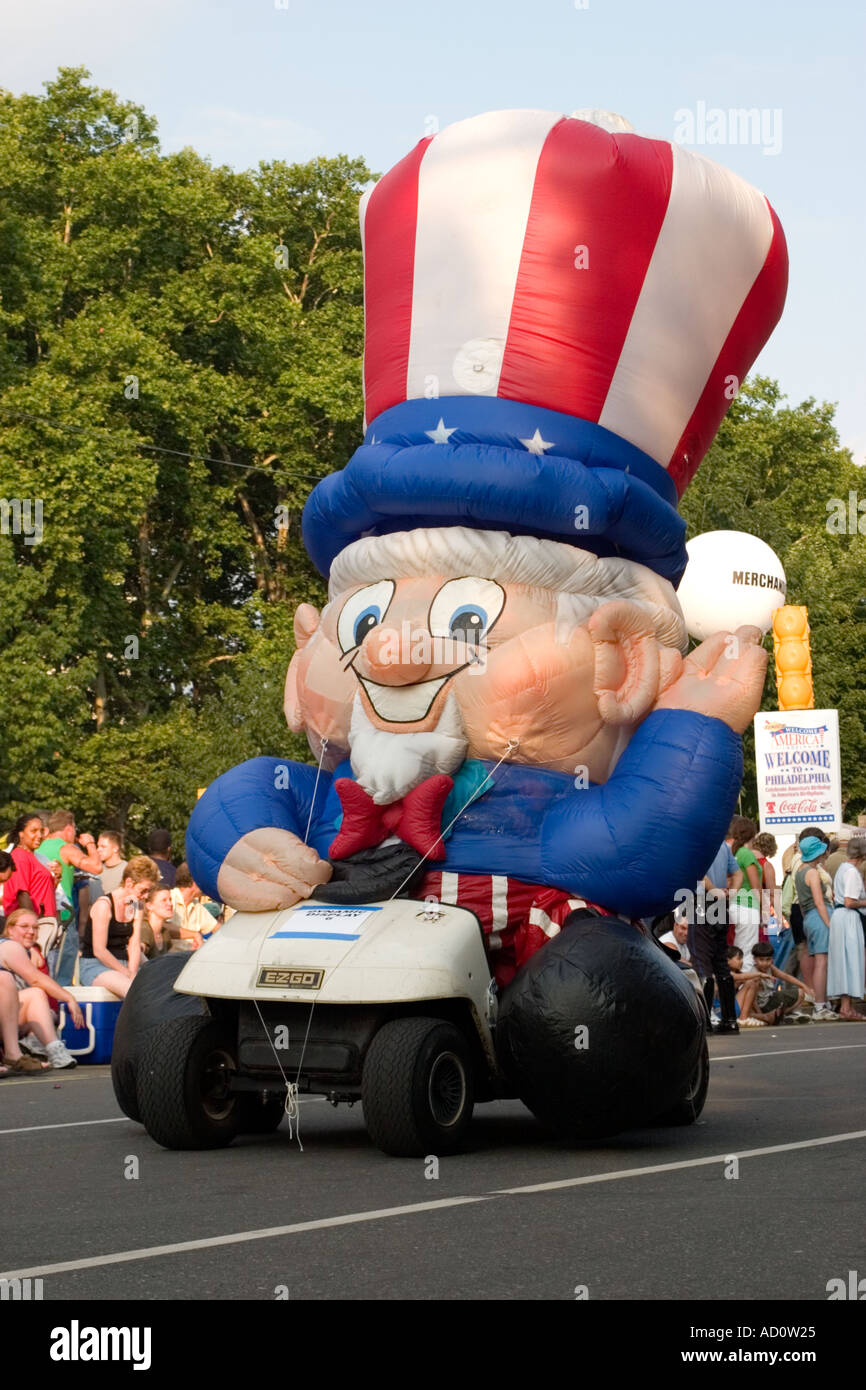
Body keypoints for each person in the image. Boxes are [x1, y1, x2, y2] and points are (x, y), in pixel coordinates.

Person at [0, 910, 83, 1068]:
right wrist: (68, 997)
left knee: (45, 1009)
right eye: (24, 926)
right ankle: (53, 1050)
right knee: (35, 994)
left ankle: (42, 1048)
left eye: (35, 927)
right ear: (10, 929)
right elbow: (36, 979)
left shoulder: (27, 951)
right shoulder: (9, 946)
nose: (31, 932)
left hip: (7, 1019)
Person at [78, 856, 160, 998]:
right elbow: (99, 951)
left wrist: (132, 972)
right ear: (129, 883)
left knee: (158, 986)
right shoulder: (104, 905)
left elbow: (134, 945)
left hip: (124, 963)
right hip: (96, 965)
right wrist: (127, 973)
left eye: (149, 891)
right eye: (143, 890)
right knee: (132, 990)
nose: (146, 896)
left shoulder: (137, 905)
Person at [38, 811, 104, 985]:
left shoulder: (37, 847)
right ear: (68, 828)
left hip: (40, 917)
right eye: (75, 829)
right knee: (63, 977)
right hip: (63, 919)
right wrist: (90, 843)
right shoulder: (66, 848)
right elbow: (96, 867)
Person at [692, 834, 743, 1033]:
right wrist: (731, 892)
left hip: (701, 900)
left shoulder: (698, 841)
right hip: (721, 901)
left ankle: (704, 1021)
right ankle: (730, 1020)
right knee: (721, 961)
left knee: (701, 958)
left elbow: (700, 873)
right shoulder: (722, 845)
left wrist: (714, 891)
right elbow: (738, 874)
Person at [794, 836, 838, 1022]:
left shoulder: (799, 871)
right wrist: (829, 923)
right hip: (820, 917)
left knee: (817, 960)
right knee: (822, 963)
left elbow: (805, 904)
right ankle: (821, 1005)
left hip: (809, 918)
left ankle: (821, 1002)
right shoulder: (812, 873)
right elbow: (819, 901)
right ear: (818, 853)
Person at [828, 838, 866, 1021]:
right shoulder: (852, 872)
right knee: (851, 959)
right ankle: (846, 1007)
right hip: (848, 917)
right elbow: (850, 901)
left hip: (840, 917)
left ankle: (845, 1006)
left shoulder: (843, 868)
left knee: (844, 960)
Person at [2, 814, 56, 920]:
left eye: (41, 831)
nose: (39, 835)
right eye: (33, 831)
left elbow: (43, 892)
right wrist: (32, 924)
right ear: (21, 834)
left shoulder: (33, 857)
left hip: (43, 921)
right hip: (30, 924)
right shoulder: (20, 856)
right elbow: (21, 894)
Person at [730, 815, 761, 970]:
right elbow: (756, 886)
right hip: (748, 905)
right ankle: (744, 989)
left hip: (735, 904)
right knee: (748, 952)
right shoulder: (747, 854)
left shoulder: (734, 852)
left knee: (739, 948)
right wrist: (763, 909)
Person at [169, 864, 211, 945]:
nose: (205, 886)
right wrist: (194, 934)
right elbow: (162, 928)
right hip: (172, 955)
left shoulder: (196, 905)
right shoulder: (168, 900)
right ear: (195, 882)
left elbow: (216, 927)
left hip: (190, 955)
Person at [140, 882, 181, 958]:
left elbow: (173, 957)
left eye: (170, 899)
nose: (170, 904)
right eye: (164, 900)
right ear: (149, 906)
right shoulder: (144, 928)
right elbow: (140, 950)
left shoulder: (164, 933)